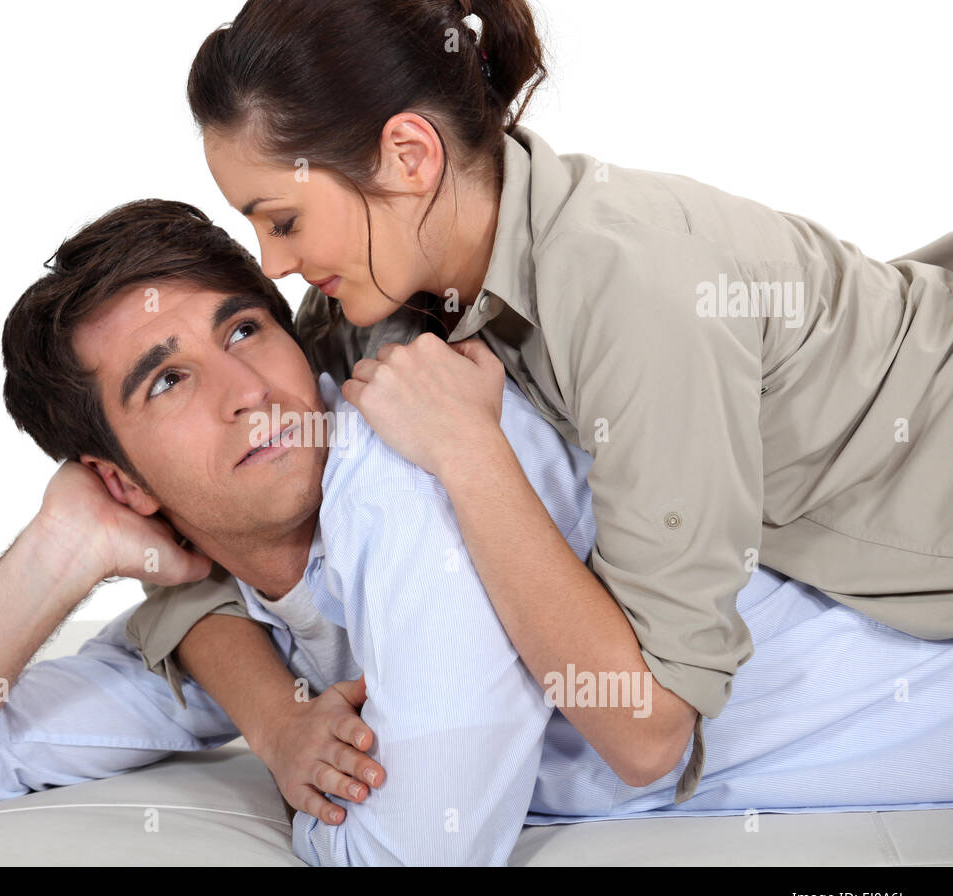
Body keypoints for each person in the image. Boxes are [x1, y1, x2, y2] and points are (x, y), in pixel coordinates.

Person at [0, 200, 953, 865]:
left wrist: (278, 736)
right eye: (168, 381)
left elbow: (419, 849)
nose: (246, 388)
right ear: (121, 481)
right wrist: (57, 553)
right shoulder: (247, 608)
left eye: (245, 328)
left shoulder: (411, 469)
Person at [130, 0, 953, 803]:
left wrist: (470, 455)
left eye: (282, 219)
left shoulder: (631, 291)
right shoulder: (391, 285)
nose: (270, 264)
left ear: (409, 156)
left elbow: (647, 736)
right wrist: (277, 722)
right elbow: (203, 532)